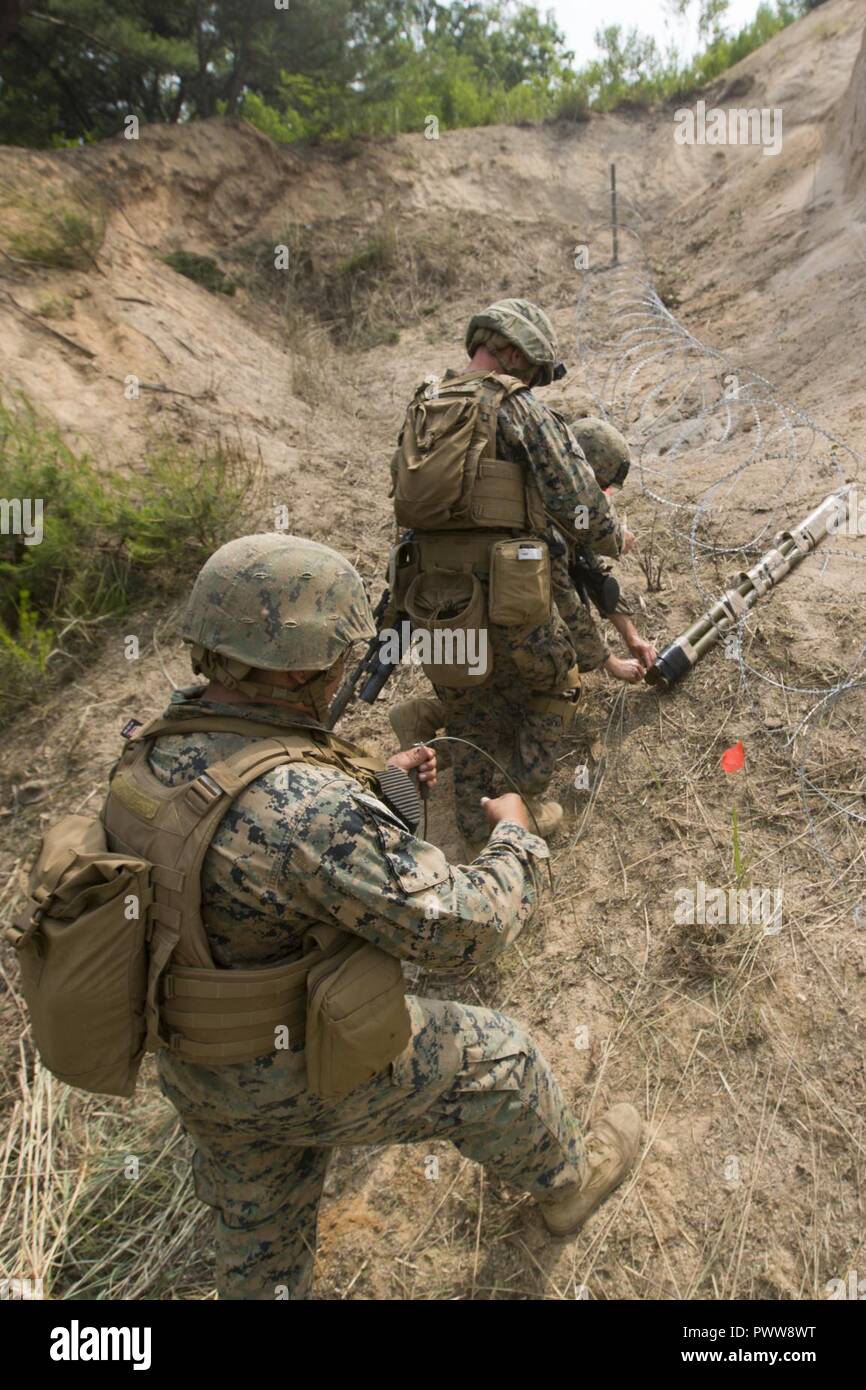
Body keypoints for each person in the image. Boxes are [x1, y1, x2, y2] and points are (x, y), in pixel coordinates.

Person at [118, 533, 640, 1300]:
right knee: (500, 1058)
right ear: (299, 665)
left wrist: (378, 789)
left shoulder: (146, 756)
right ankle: (567, 1186)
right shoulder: (307, 809)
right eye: (335, 655)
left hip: (193, 1068)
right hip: (288, 1062)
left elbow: (233, 870)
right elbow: (463, 930)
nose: (341, 669)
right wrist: (518, 839)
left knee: (260, 1256)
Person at [389, 298, 630, 851]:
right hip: (512, 591)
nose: (533, 383)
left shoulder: (423, 407)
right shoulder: (517, 408)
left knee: (472, 706)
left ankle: (475, 831)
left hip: (435, 594)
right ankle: (525, 803)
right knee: (557, 685)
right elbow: (581, 508)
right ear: (515, 353)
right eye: (533, 373)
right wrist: (615, 537)